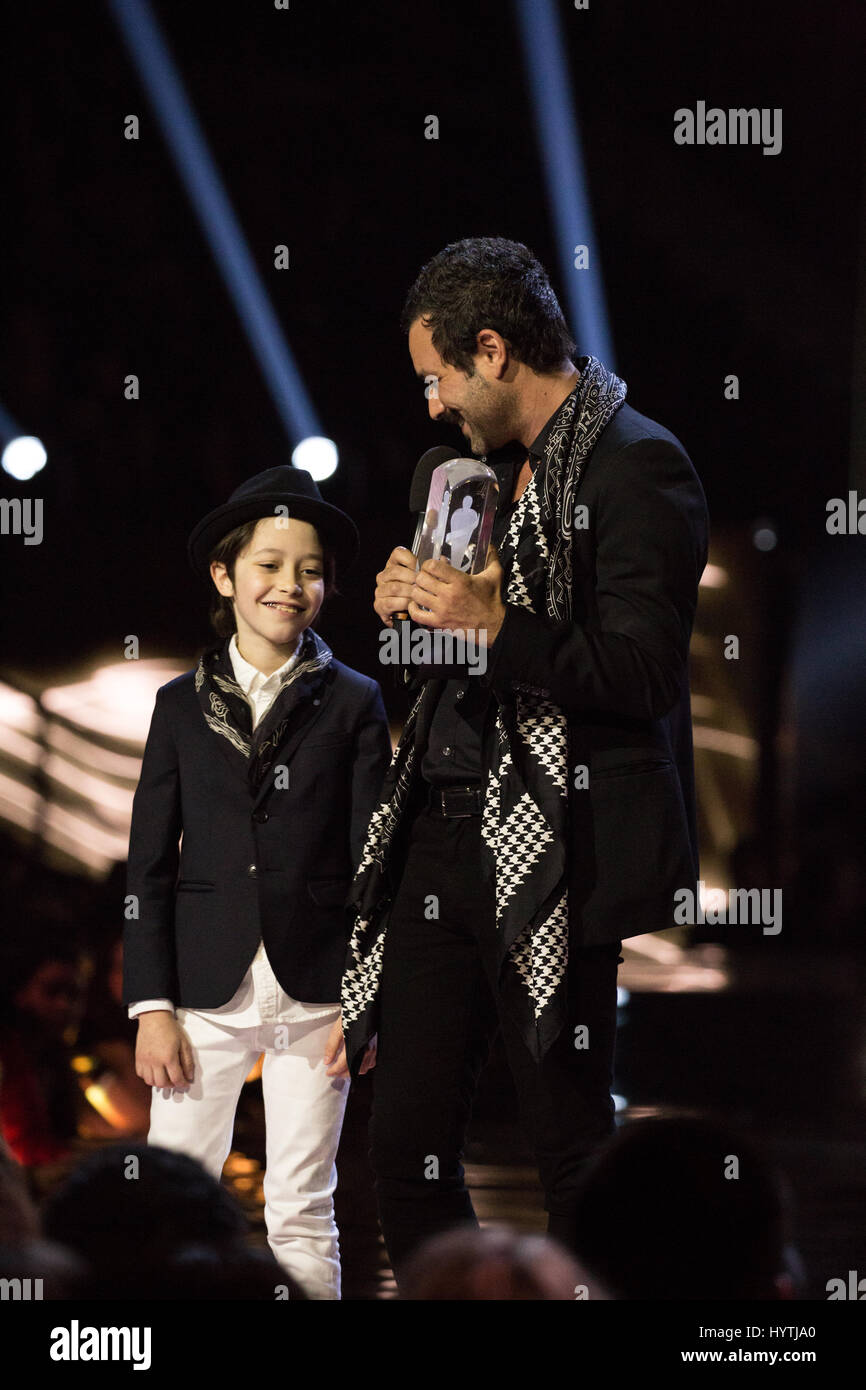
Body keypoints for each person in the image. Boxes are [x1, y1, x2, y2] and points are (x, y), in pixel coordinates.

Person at [340, 237, 710, 1283]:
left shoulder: (637, 463)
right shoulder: (464, 475)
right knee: (403, 1146)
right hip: (436, 832)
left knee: (569, 1148)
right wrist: (409, 618)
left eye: (438, 377)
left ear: (493, 351)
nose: (432, 406)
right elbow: (444, 666)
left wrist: (494, 626)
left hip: (559, 844)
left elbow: (643, 672)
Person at [123, 466, 392, 1300]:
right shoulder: (179, 704)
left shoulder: (354, 700)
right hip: (200, 992)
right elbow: (147, 864)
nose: (290, 586)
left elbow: (375, 863)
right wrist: (150, 1005)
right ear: (224, 575)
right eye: (269, 565)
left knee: (303, 1208)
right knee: (174, 1201)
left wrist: (366, 998)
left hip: (318, 993)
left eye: (310, 571)